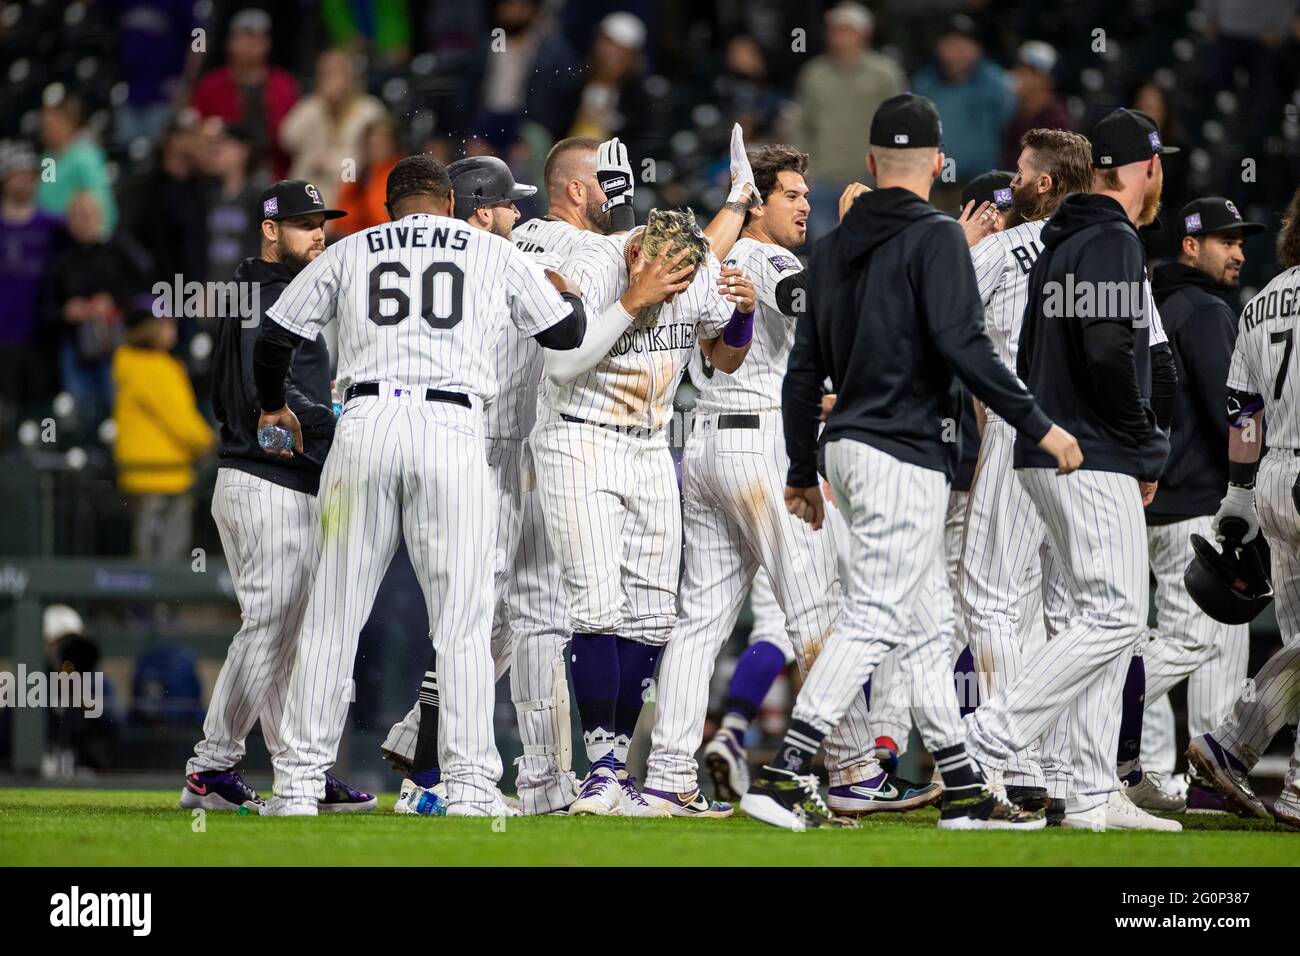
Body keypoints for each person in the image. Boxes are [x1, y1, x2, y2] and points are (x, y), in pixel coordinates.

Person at [743, 93, 1081, 832]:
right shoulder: (936, 240)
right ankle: (786, 772)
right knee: (872, 616)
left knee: (928, 624)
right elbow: (968, 348)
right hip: (904, 451)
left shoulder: (830, 248)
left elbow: (804, 372)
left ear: (869, 164)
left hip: (850, 452)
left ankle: (962, 787)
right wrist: (1039, 424)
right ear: (936, 164)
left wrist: (803, 470)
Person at [251, 155, 586, 816]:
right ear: (449, 203)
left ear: (390, 204)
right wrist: (564, 289)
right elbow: (567, 333)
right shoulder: (489, 250)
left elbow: (274, 338)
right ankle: (466, 787)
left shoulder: (354, 251)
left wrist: (272, 406)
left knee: (331, 617)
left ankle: (295, 787)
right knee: (462, 623)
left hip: (365, 425)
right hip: (452, 429)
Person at [380, 144, 613, 817]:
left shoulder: (497, 256)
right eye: (508, 204)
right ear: (480, 212)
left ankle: (541, 784)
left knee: (540, 614)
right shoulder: (483, 262)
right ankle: (427, 775)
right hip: (474, 450)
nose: (519, 213)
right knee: (473, 617)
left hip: (518, 452)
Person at [965, 108, 1181, 832]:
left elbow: (1031, 354)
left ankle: (1089, 791)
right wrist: (1143, 443)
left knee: (1099, 616)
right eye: (1158, 163)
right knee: (1115, 614)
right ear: (1142, 168)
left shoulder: (1060, 240)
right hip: (1091, 450)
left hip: (1046, 446)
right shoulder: (1110, 239)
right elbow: (1109, 352)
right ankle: (989, 739)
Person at [532, 199, 757, 816]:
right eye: (665, 270)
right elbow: (561, 364)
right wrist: (633, 297)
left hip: (652, 443)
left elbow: (725, 356)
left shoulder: (698, 268)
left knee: (653, 616)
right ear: (638, 251)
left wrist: (743, 312)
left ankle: (619, 773)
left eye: (686, 274)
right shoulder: (596, 261)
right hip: (579, 435)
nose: (676, 282)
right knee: (597, 604)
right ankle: (601, 767)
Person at [181, 179, 374, 813]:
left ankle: (301, 770)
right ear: (270, 230)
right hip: (265, 482)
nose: (319, 233)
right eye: (303, 224)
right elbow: (263, 402)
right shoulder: (263, 299)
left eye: (322, 222)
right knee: (270, 626)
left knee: (287, 634)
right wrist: (345, 420)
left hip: (277, 482)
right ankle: (212, 766)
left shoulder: (266, 291)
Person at [956, 130, 1093, 816]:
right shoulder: (1105, 253)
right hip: (1090, 442)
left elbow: (943, 318)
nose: (1013, 178)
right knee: (1070, 610)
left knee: (992, 598)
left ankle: (1012, 763)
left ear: (1044, 184)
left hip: (1021, 426)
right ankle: (1068, 775)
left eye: (1022, 171)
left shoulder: (1007, 247)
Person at [1187, 184, 1300, 832]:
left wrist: (1238, 491)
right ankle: (1232, 741)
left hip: (1271, 478)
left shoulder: (1260, 302)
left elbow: (1243, 411)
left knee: (1297, 643)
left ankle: (1295, 791)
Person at [112, 302, 215, 561]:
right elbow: (179, 420)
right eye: (167, 323)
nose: (173, 328)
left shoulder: (130, 362)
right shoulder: (153, 367)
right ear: (150, 329)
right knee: (162, 551)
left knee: (148, 545)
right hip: (161, 473)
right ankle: (152, 602)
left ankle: (148, 601)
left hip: (150, 472)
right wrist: (208, 441)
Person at [795, 2, 905, 238]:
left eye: (847, 30)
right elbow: (802, 125)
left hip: (868, 178)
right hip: (822, 179)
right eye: (835, 30)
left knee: (867, 249)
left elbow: (900, 122)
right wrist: (804, 170)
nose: (839, 37)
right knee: (825, 251)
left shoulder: (885, 74)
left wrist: (889, 172)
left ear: (864, 34)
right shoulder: (814, 74)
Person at [43, 191, 150, 427]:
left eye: (89, 214)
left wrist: (114, 302)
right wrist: (67, 311)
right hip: (76, 349)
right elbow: (46, 309)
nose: (84, 221)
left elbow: (147, 286)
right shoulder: (62, 259)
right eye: (77, 215)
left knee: (118, 410)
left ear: (101, 215)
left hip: (116, 346)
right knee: (79, 415)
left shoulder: (120, 248)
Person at [190, 8, 300, 179]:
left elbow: (294, 137)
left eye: (256, 38)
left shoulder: (285, 85)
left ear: (267, 43)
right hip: (221, 172)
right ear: (229, 43)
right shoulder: (211, 86)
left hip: (277, 171)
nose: (249, 45)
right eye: (243, 37)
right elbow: (197, 134)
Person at [910, 15, 1016, 187]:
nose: (959, 50)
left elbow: (1009, 126)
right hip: (938, 184)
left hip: (986, 182)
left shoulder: (997, 83)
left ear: (978, 49)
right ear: (939, 47)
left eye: (966, 43)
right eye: (952, 43)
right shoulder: (923, 84)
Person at [0, 144, 62, 426]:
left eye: (30, 175)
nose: (24, 181)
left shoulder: (54, 227)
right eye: (17, 175)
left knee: (41, 413)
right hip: (4, 338)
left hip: (41, 337)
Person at [279, 49, 387, 207]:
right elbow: (287, 138)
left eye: (339, 72)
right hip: (306, 195)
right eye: (327, 73)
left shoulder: (369, 110)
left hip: (351, 197)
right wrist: (321, 103)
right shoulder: (311, 106)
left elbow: (363, 167)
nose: (333, 80)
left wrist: (328, 164)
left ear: (352, 76)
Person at [36, 88, 117, 233]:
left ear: (69, 122)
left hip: (78, 232)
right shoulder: (48, 158)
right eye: (44, 125)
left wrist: (102, 234)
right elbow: (45, 195)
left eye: (51, 124)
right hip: (52, 231)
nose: (46, 130)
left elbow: (99, 198)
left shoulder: (85, 155)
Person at [999, 42, 1074, 170]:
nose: (1019, 74)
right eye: (1020, 68)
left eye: (1030, 72)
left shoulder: (1056, 123)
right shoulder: (1017, 116)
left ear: (1048, 80)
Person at [333, 117, 404, 236]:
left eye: (384, 142)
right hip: (356, 238)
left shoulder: (401, 173)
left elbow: (381, 217)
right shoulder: (358, 173)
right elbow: (340, 219)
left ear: (394, 144)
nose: (378, 148)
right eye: (373, 143)